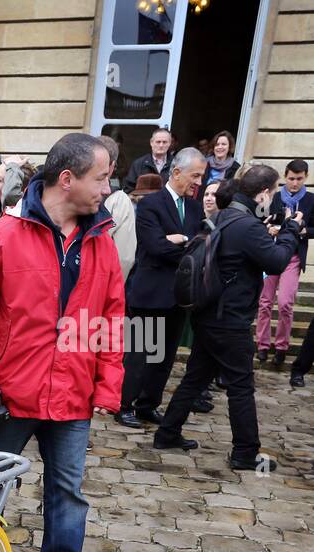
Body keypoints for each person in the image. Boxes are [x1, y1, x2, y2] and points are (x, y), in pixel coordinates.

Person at [0, 133, 125, 552]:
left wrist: (108, 384)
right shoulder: (3, 235)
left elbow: (112, 318)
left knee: (68, 490)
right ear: (67, 179)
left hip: (73, 392)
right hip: (10, 392)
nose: (107, 187)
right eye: (101, 177)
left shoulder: (101, 241)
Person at [153, 166, 303, 470]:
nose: (273, 198)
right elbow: (276, 262)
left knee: (194, 378)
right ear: (263, 193)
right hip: (229, 320)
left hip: (208, 314)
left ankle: (167, 433)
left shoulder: (224, 216)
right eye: (273, 192)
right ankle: (245, 453)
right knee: (241, 386)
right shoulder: (247, 225)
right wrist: (289, 230)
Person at [117, 147, 206, 429]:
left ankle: (148, 405)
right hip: (150, 293)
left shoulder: (194, 206)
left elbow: (202, 244)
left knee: (165, 357)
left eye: (201, 177)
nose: (199, 182)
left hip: (179, 296)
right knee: (139, 354)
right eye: (196, 176)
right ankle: (124, 405)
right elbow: (154, 247)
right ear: (177, 172)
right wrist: (185, 246)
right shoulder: (150, 204)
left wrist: (181, 241)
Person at [255, 159, 314, 369]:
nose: (294, 183)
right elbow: (261, 221)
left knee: (286, 303)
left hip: (294, 255)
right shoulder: (275, 197)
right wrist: (270, 228)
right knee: (264, 302)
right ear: (285, 177)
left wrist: (302, 230)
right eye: (291, 179)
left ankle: (281, 346)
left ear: (305, 177)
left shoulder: (311, 199)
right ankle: (262, 344)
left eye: (299, 179)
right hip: (271, 253)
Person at [98, 136, 136, 280]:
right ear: (113, 165)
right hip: (100, 283)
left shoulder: (70, 188)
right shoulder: (120, 200)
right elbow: (124, 258)